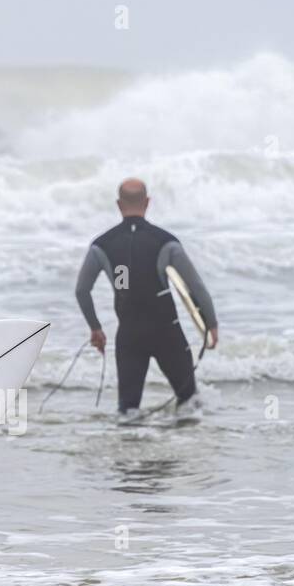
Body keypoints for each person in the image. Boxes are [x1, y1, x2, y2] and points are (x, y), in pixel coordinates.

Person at [74, 178, 219, 421]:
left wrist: (95, 328)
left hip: (130, 335)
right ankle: (181, 450)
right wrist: (210, 323)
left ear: (119, 205)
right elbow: (196, 286)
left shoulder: (102, 245)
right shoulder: (166, 242)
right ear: (148, 202)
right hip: (167, 334)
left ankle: (130, 455)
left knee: (128, 411)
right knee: (189, 402)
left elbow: (81, 290)